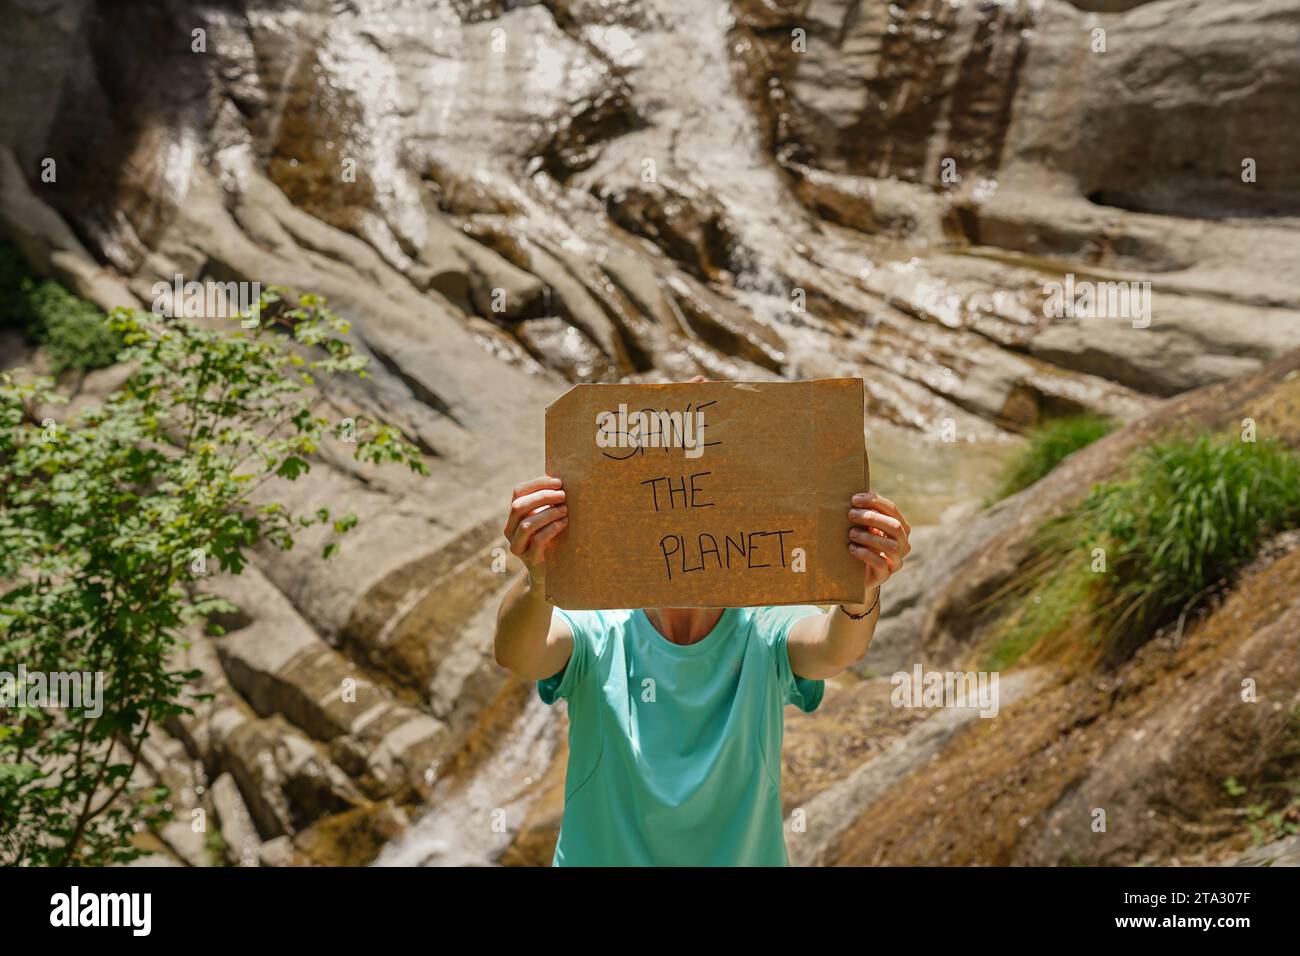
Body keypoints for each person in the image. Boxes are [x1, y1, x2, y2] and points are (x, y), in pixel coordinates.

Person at [493, 436, 912, 866]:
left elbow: (831, 650)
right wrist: (539, 580)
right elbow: (519, 654)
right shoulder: (600, 616)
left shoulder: (763, 618)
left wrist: (859, 595)